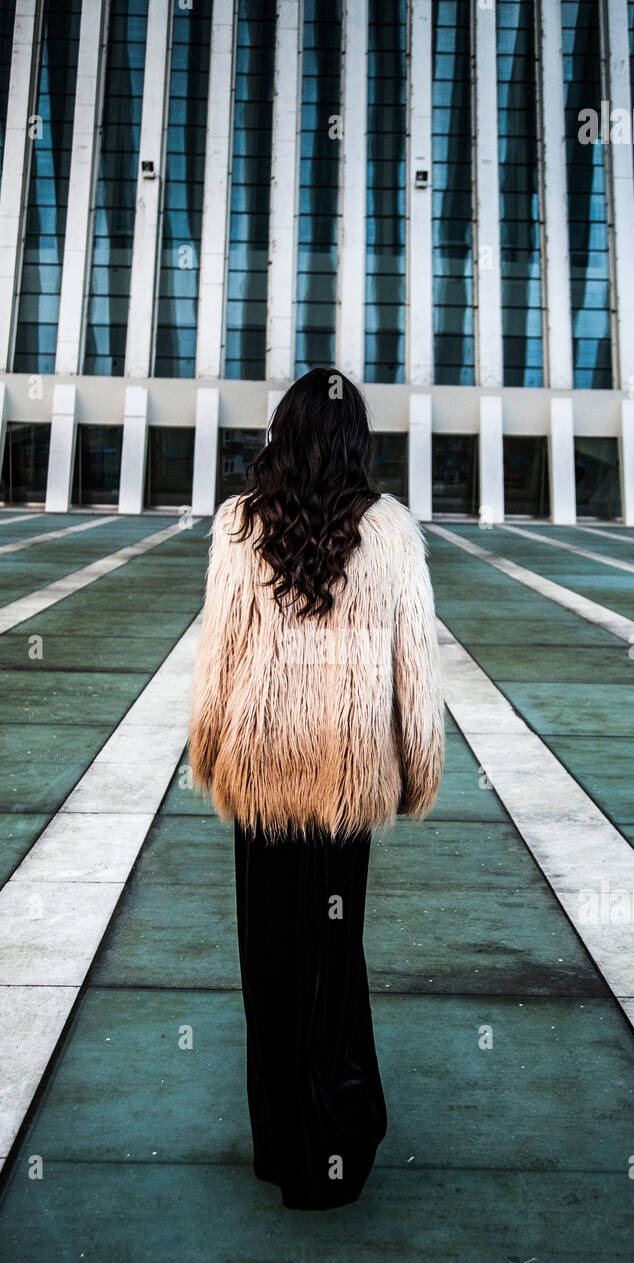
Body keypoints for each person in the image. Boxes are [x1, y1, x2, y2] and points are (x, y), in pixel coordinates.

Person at [188, 367, 445, 1210]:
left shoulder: (238, 525)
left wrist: (212, 752)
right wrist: (417, 765)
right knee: (334, 959)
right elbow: (417, 664)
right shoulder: (391, 530)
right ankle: (338, 1138)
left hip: (263, 772)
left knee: (269, 964)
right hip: (345, 772)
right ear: (353, 442)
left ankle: (285, 1151)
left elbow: (218, 658)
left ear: (283, 437)